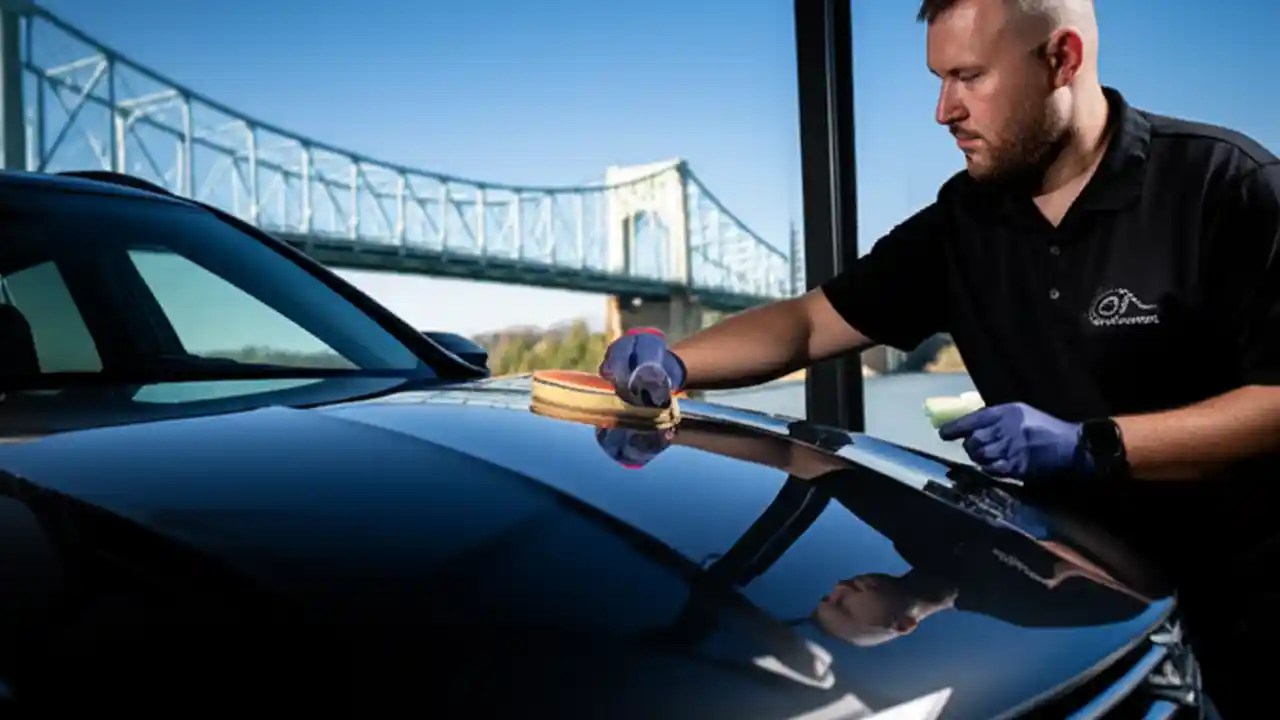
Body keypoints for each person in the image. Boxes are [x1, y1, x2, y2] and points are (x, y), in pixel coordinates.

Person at [598, 0, 1278, 714]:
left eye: (968, 77)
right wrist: (674, 361)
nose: (942, 110)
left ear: (1062, 59)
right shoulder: (965, 222)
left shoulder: (1224, 186)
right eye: (938, 78)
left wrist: (1092, 446)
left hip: (1247, 622)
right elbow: (806, 326)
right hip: (1071, 632)